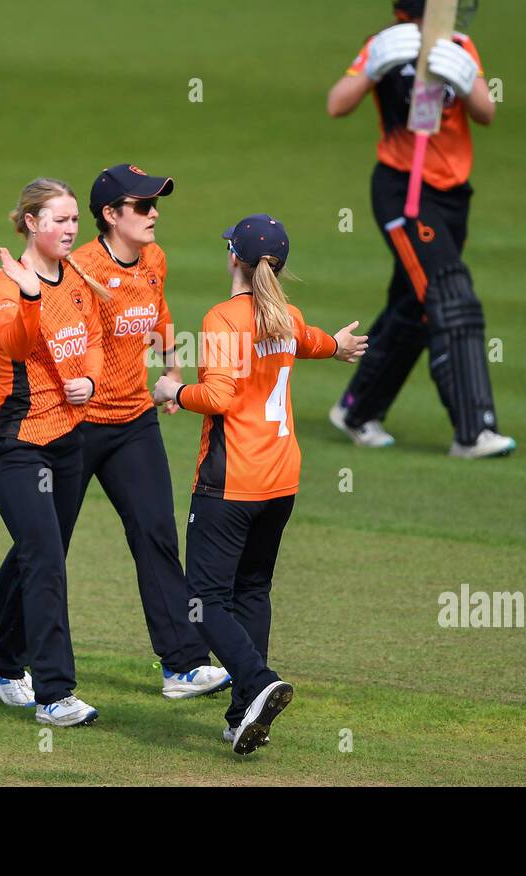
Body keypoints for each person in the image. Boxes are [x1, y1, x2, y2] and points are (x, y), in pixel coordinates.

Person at [153, 215, 368, 753]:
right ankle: (240, 715)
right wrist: (337, 346)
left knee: (202, 601)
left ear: (233, 258)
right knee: (251, 590)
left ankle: (257, 681)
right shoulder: (285, 316)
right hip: (282, 480)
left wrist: (173, 393)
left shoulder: (224, 318)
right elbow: (309, 341)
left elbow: (220, 397)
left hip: (230, 482)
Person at [325, 0, 516, 459]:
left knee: (413, 305)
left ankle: (357, 408)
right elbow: (337, 102)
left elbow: (486, 112)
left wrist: (463, 73)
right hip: (403, 194)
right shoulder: (383, 45)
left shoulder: (460, 44)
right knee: (449, 295)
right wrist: (378, 66)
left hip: (453, 197)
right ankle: (474, 430)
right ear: (421, 3)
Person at [65, 164, 231, 699]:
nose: (154, 213)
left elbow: (159, 316)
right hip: (77, 427)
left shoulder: (154, 258)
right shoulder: (81, 269)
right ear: (111, 215)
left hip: (133, 422)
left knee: (157, 534)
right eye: (142, 205)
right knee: (44, 545)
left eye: (155, 204)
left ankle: (182, 663)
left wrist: (173, 370)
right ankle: (0, 654)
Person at [0, 177, 105, 728]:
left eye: (75, 219)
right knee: (45, 559)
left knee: (38, 553)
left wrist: (91, 382)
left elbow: (93, 338)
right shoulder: (8, 287)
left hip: (68, 440)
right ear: (31, 222)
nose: (71, 228)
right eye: (59, 219)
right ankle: (54, 695)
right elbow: (17, 345)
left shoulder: (75, 276)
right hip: (15, 445)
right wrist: (29, 295)